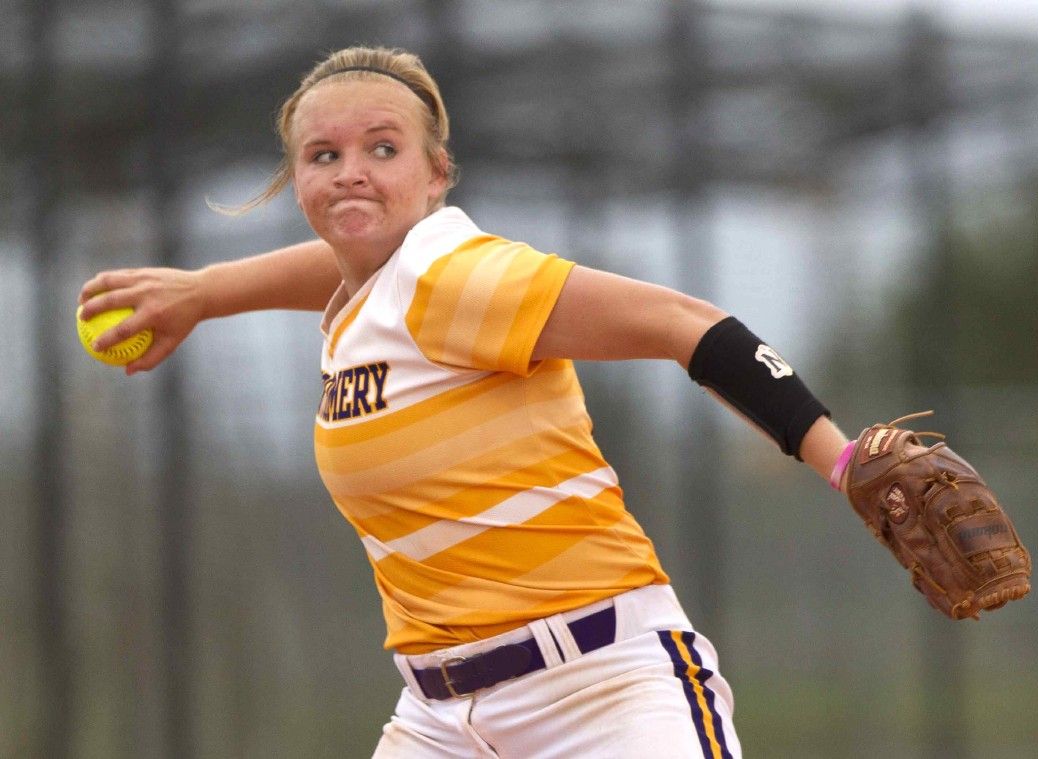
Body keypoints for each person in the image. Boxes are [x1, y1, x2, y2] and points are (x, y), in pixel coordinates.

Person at [79, 46, 854, 758]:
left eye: (383, 149)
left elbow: (690, 327)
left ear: (437, 173)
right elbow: (346, 263)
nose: (352, 170)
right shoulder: (375, 291)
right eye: (325, 155)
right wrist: (206, 291)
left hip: (599, 694)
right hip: (439, 720)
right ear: (297, 181)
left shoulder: (451, 274)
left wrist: (843, 460)